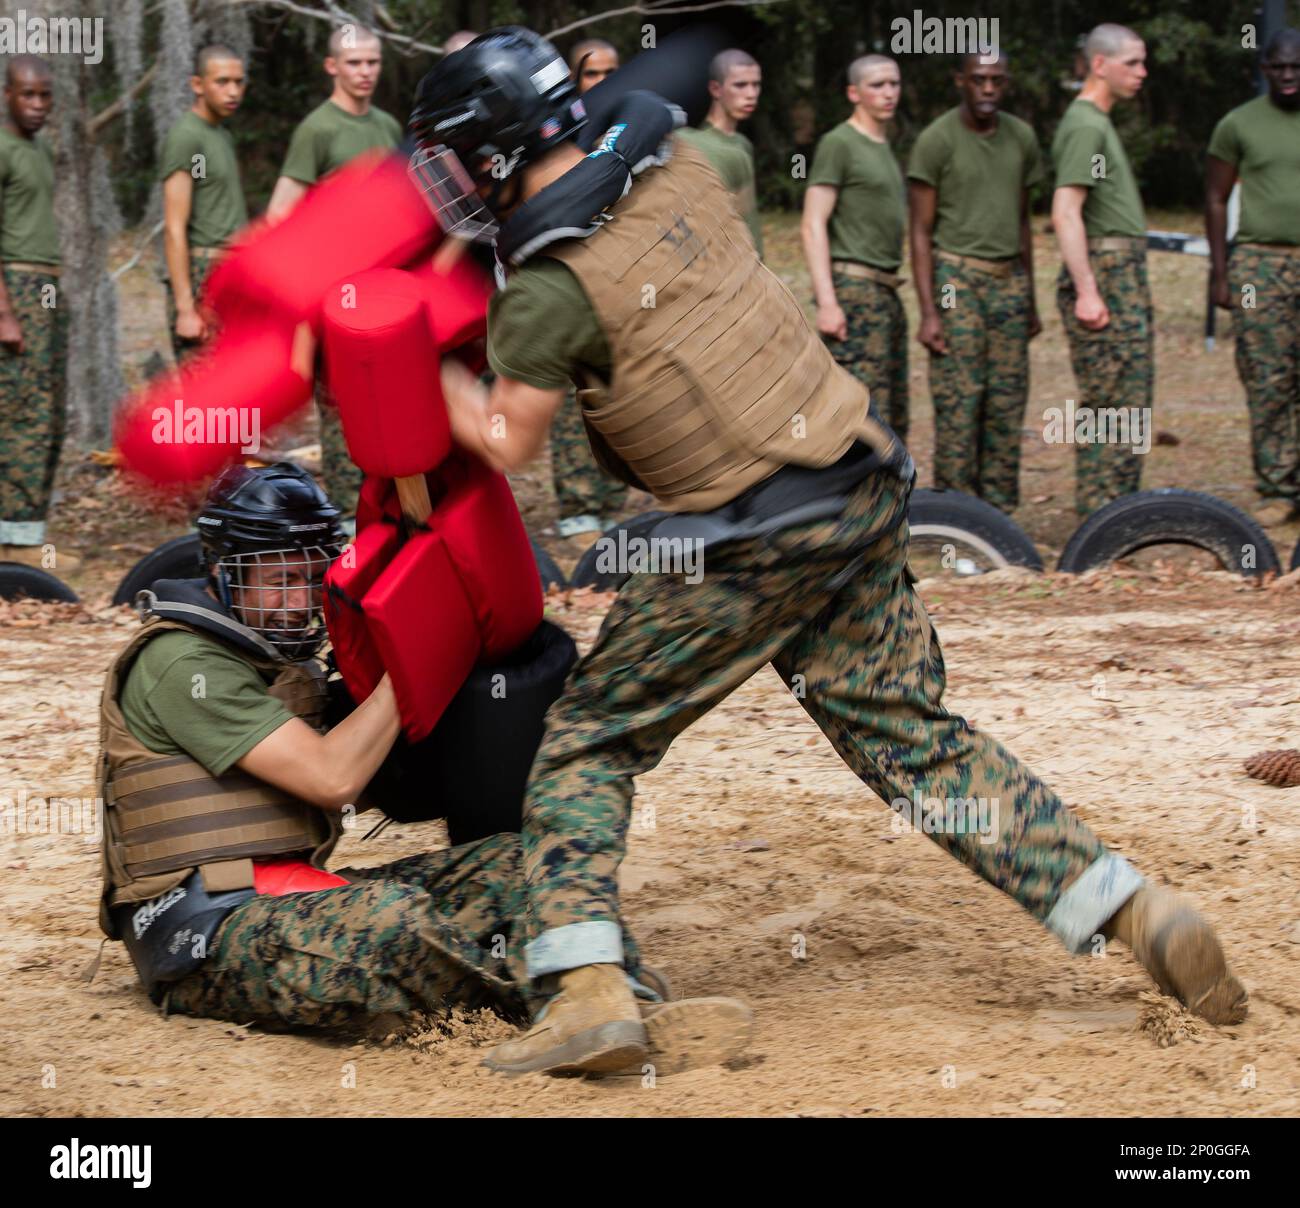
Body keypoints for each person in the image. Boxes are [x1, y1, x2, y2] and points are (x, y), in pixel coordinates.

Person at [411, 27, 1248, 1077]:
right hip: (859, 478)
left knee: (585, 738)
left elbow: (507, 437)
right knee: (914, 740)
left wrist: (423, 357)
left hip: (753, 533)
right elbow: (654, 90)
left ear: (487, 155)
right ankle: (1129, 905)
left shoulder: (547, 286)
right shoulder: (675, 162)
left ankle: (582, 987)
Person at [94, 461, 744, 1070]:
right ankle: (558, 1013)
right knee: (393, 921)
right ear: (224, 571)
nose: (298, 600)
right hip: (201, 937)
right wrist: (415, 657)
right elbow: (332, 778)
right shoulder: (181, 663)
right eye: (278, 579)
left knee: (518, 862)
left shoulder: (281, 668)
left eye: (309, 576)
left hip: (290, 896)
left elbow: (389, 791)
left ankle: (614, 994)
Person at [268, 26, 403, 523]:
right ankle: (350, 517)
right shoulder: (318, 129)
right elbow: (281, 213)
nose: (364, 72)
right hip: (335, 296)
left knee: (389, 404)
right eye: (354, 63)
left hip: (385, 295)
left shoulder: (388, 126)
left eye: (372, 63)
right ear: (332, 67)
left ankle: (390, 508)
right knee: (344, 409)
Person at [908, 53, 1043, 512]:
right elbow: (920, 231)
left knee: (1006, 401)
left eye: (997, 81)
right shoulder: (936, 140)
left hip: (1008, 280)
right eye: (979, 80)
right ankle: (958, 518)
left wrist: (1032, 298)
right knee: (960, 402)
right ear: (960, 82)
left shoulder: (1022, 137)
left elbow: (1022, 219)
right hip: (956, 278)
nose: (988, 89)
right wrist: (929, 312)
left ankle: (1000, 516)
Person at [1051, 22, 1151, 516]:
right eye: (1132, 62)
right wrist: (1089, 290)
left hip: (1120, 270)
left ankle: (1116, 512)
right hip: (1107, 272)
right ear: (1099, 64)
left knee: (1127, 399)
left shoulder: (1098, 121)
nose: (1141, 72)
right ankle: (1100, 514)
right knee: (1111, 400)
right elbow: (1066, 210)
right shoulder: (1087, 124)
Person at [1206, 27, 1300, 528]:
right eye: (1279, 67)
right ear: (1265, 69)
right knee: (1268, 378)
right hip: (1259, 267)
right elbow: (1217, 198)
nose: (1288, 76)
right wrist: (1221, 273)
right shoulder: (1237, 124)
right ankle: (1277, 487)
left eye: (1296, 67)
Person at [546, 36, 628, 555]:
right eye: (592, 75)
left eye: (611, 73)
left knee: (617, 391)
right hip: (568, 281)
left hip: (618, 278)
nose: (603, 84)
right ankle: (578, 514)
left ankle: (611, 503)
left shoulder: (625, 133)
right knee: (573, 393)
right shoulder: (558, 138)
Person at [802, 55, 909, 445]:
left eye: (894, 84)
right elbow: (813, 223)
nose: (888, 93)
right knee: (862, 417)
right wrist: (828, 302)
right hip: (855, 292)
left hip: (887, 291)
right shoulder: (839, 143)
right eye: (877, 85)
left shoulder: (882, 144)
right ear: (854, 93)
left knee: (893, 415)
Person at [0, 55, 70, 570]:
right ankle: (13, 543)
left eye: (45, 95)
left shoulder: (40, 147)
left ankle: (27, 533)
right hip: (15, 286)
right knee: (21, 412)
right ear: (7, 95)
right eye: (28, 94)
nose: (38, 104)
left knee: (45, 410)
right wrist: (4, 311)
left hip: (45, 285)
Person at [159, 45, 249, 365]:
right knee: (208, 399)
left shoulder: (220, 135)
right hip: (202, 274)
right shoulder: (187, 137)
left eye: (239, 82)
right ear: (197, 85)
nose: (233, 91)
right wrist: (185, 308)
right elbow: (174, 227)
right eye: (222, 82)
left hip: (231, 275)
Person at [678, 48, 764, 257]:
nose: (751, 94)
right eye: (740, 85)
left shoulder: (742, 144)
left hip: (741, 256)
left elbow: (746, 214)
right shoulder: (688, 142)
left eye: (756, 85)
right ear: (716, 89)